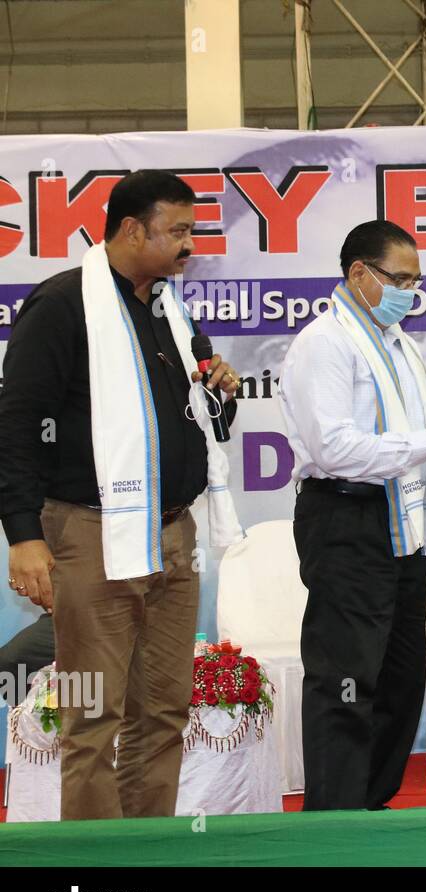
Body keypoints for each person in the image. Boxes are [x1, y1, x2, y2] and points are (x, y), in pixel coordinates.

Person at [0, 169, 243, 820]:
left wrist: (218, 397)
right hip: (88, 532)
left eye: (193, 230)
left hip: (172, 534)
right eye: (179, 231)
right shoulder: (63, 306)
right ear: (133, 230)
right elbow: (17, 426)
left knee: (164, 709)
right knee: (93, 717)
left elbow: (189, 428)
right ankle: (94, 870)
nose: (190, 244)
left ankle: (148, 852)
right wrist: (23, 535)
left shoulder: (166, 309)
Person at [278, 220, 426, 811]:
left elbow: (424, 437)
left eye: (416, 281)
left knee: (400, 678)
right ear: (359, 273)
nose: (410, 291)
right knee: (346, 679)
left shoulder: (399, 343)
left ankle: (372, 802)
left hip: (402, 527)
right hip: (346, 520)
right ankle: (333, 822)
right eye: (399, 278)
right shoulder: (325, 343)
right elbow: (336, 448)